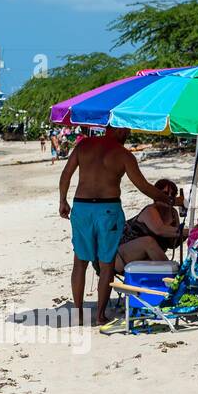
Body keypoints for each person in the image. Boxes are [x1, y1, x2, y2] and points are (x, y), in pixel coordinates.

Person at [59, 127, 172, 325]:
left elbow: (66, 174)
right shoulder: (124, 155)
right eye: (126, 131)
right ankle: (100, 315)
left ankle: (78, 313)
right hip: (107, 209)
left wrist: (63, 201)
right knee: (107, 264)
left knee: (80, 262)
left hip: (82, 207)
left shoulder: (84, 145)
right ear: (119, 131)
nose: (128, 135)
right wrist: (169, 200)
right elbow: (143, 186)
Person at [116, 178, 185, 267]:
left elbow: (172, 243)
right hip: (120, 257)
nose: (169, 198)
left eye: (173, 195)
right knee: (148, 242)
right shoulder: (150, 210)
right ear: (155, 195)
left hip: (146, 258)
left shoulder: (173, 213)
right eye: (165, 194)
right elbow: (160, 230)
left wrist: (191, 234)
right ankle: (172, 275)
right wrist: (189, 231)